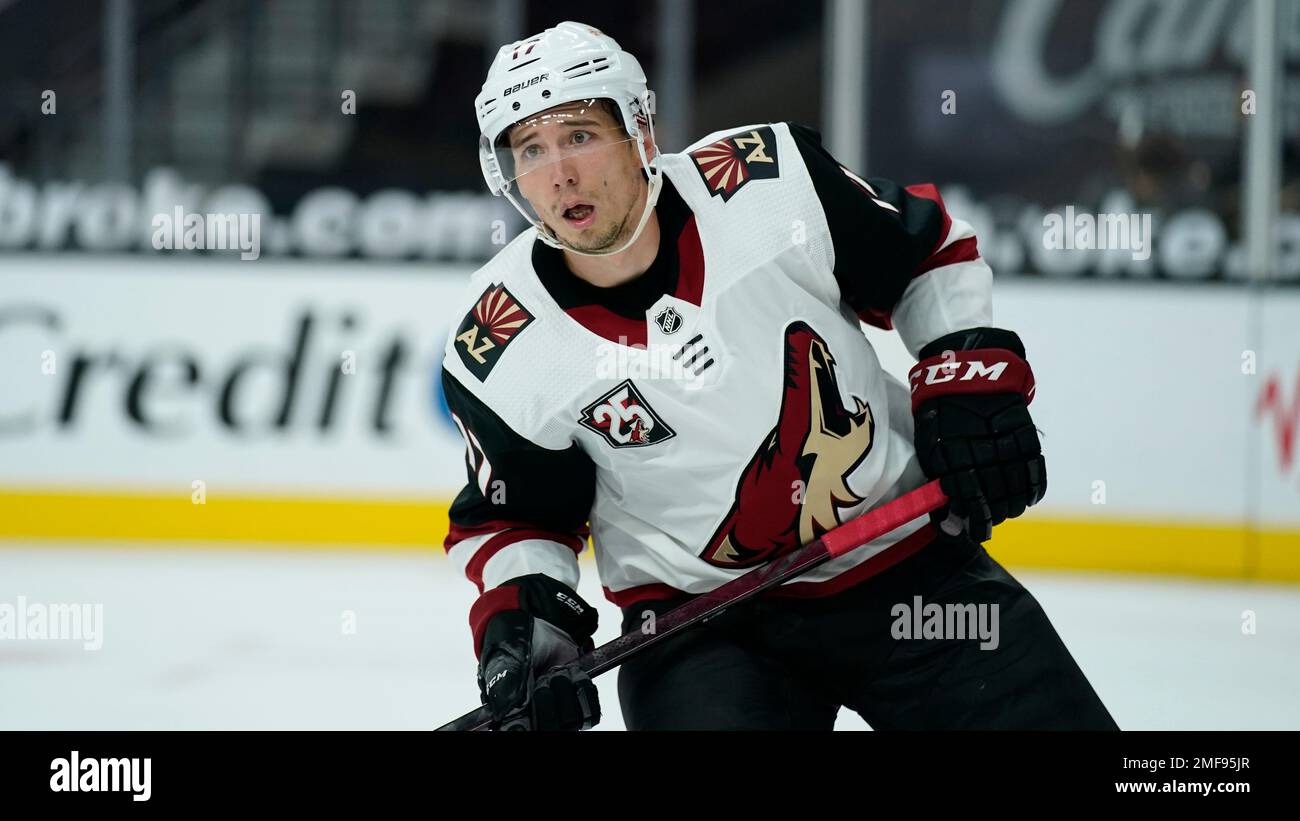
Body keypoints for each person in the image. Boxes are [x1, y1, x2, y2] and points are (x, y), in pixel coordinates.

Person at [441, 20, 1117, 731]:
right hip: (702, 631)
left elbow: (922, 252)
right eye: (531, 150)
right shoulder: (502, 341)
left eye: (579, 135)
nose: (559, 175)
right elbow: (520, 515)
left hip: (905, 568)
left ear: (641, 130)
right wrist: (524, 636)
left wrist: (963, 374)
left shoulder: (767, 182)